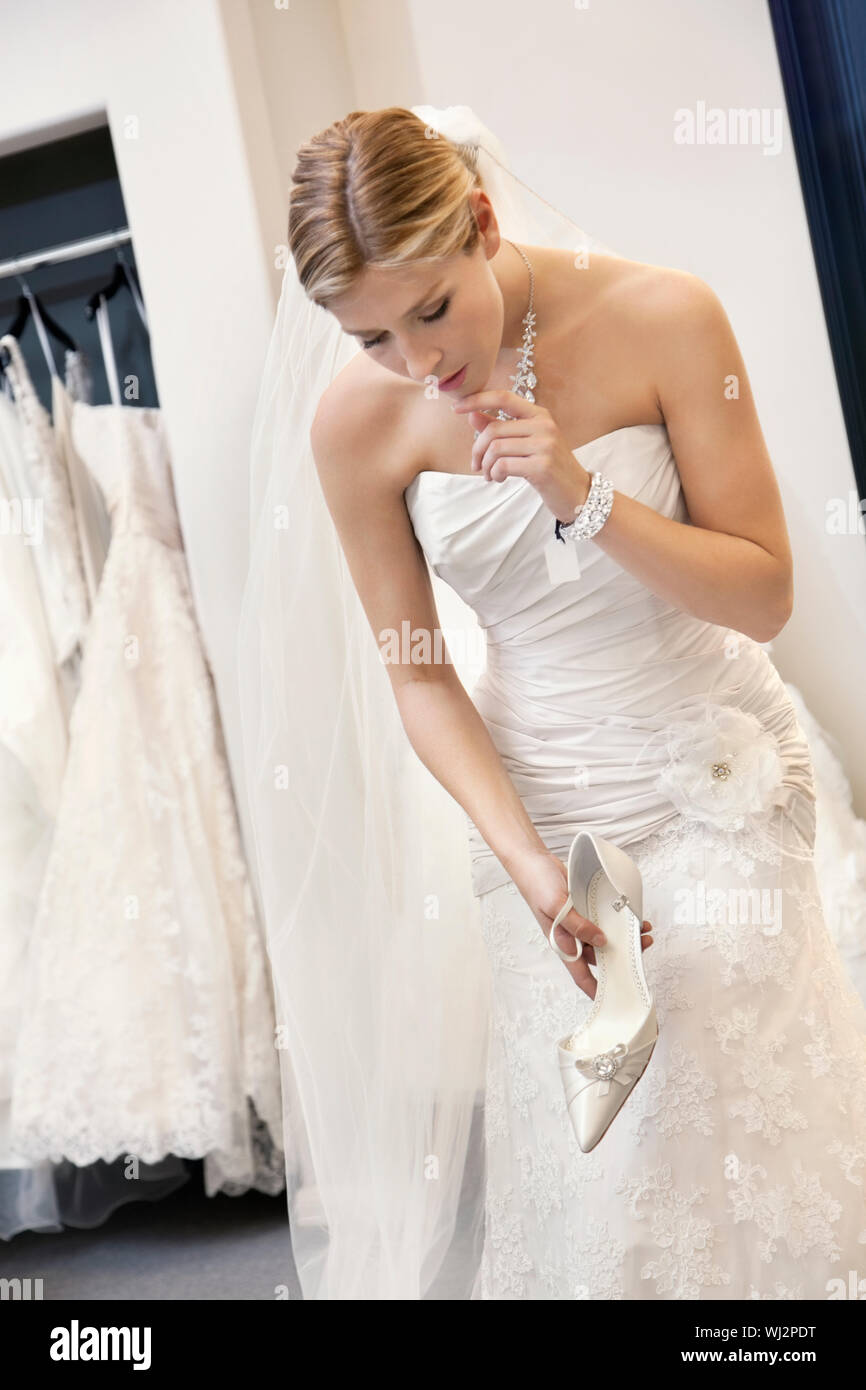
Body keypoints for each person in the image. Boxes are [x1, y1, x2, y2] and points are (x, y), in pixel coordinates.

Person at [239, 104, 866, 1300]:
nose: (417, 364)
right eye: (369, 336)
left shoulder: (664, 316)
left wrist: (582, 495)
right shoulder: (355, 426)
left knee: (718, 1054)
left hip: (711, 769)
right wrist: (527, 866)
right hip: (544, 806)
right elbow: (417, 673)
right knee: (598, 1150)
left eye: (430, 309)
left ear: (478, 221)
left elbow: (765, 594)